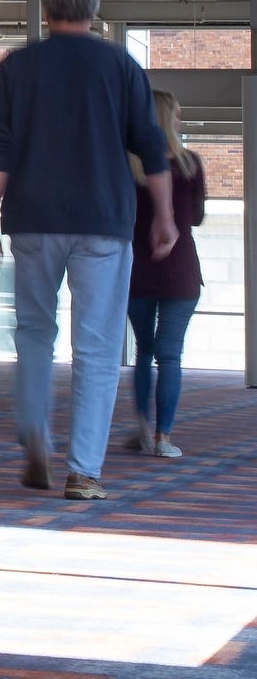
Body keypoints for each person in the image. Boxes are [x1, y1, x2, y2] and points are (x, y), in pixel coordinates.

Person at [0, 0, 175, 500]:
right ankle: (84, 471)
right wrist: (163, 215)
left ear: (46, 9)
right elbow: (151, 147)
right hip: (103, 222)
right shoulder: (121, 66)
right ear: (94, 8)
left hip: (35, 218)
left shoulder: (16, 68)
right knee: (98, 346)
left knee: (35, 333)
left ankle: (35, 432)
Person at [128, 88, 206, 460]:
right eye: (176, 113)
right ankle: (163, 437)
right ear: (166, 117)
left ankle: (143, 427)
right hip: (180, 270)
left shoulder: (128, 165)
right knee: (170, 355)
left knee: (144, 351)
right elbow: (196, 217)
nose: (180, 119)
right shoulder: (189, 164)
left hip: (137, 269)